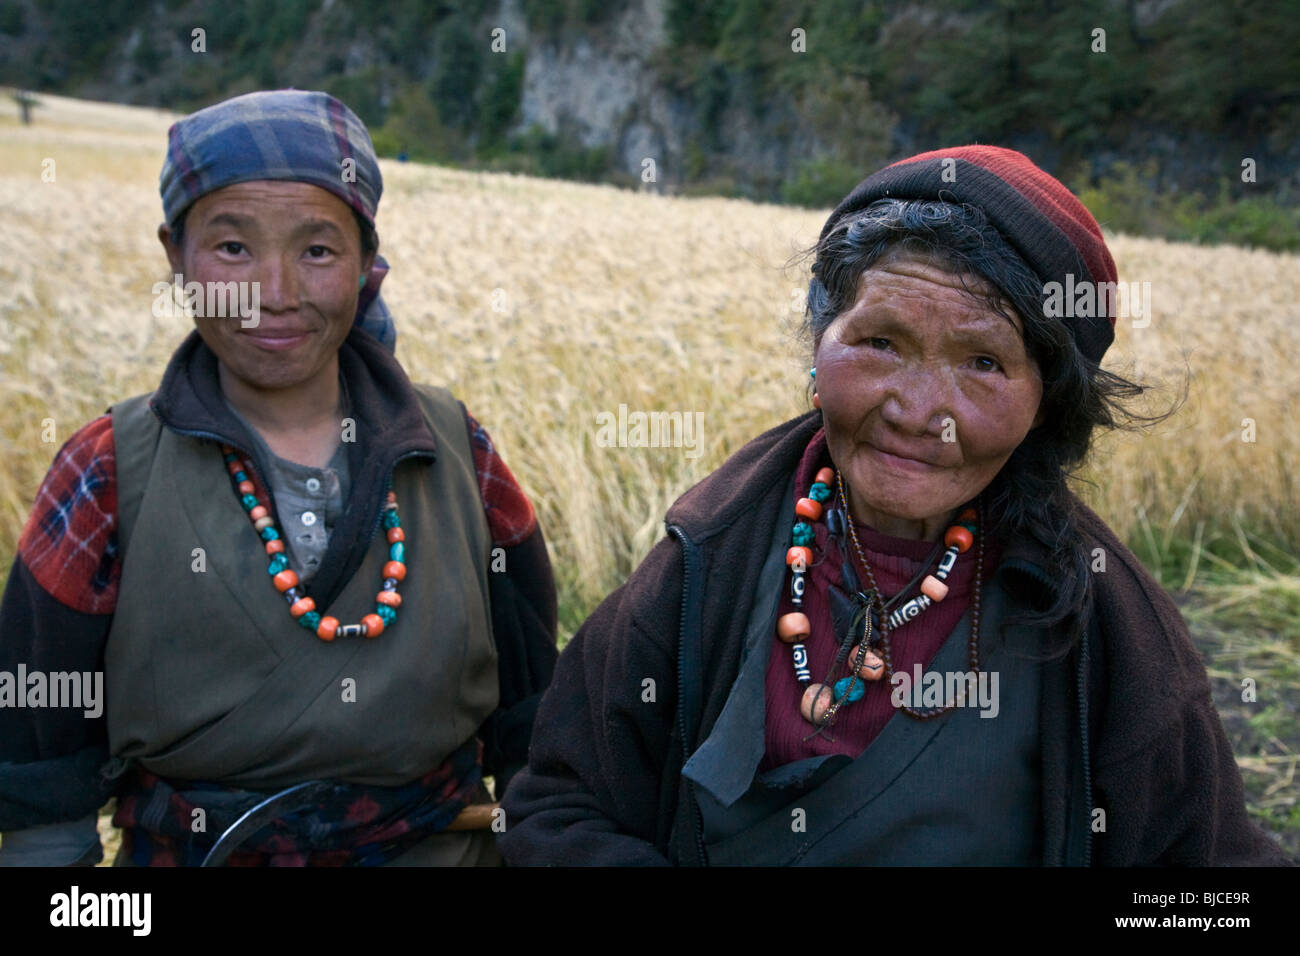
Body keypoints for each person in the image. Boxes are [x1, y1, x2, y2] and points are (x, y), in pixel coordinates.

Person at [497, 145, 1292, 866]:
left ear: (1048, 405)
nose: (918, 410)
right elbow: (558, 805)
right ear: (820, 342)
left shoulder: (1107, 628)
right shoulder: (710, 552)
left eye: (983, 361)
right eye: (880, 343)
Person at [0, 90, 557, 866]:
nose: (275, 290)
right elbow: (41, 762)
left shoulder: (458, 453)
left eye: (318, 251)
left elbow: (534, 723)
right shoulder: (105, 470)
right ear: (174, 256)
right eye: (232, 249)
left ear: (366, 262)